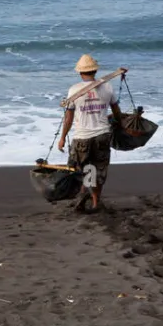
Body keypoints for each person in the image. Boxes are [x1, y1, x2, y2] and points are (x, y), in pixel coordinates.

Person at [58, 54, 126, 212]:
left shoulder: (74, 90)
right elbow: (116, 110)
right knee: (98, 169)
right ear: (95, 71)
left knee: (80, 169)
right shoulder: (107, 87)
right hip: (102, 135)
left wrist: (62, 138)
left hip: (81, 137)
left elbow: (68, 118)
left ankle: (82, 195)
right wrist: (119, 123)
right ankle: (95, 202)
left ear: (80, 73)